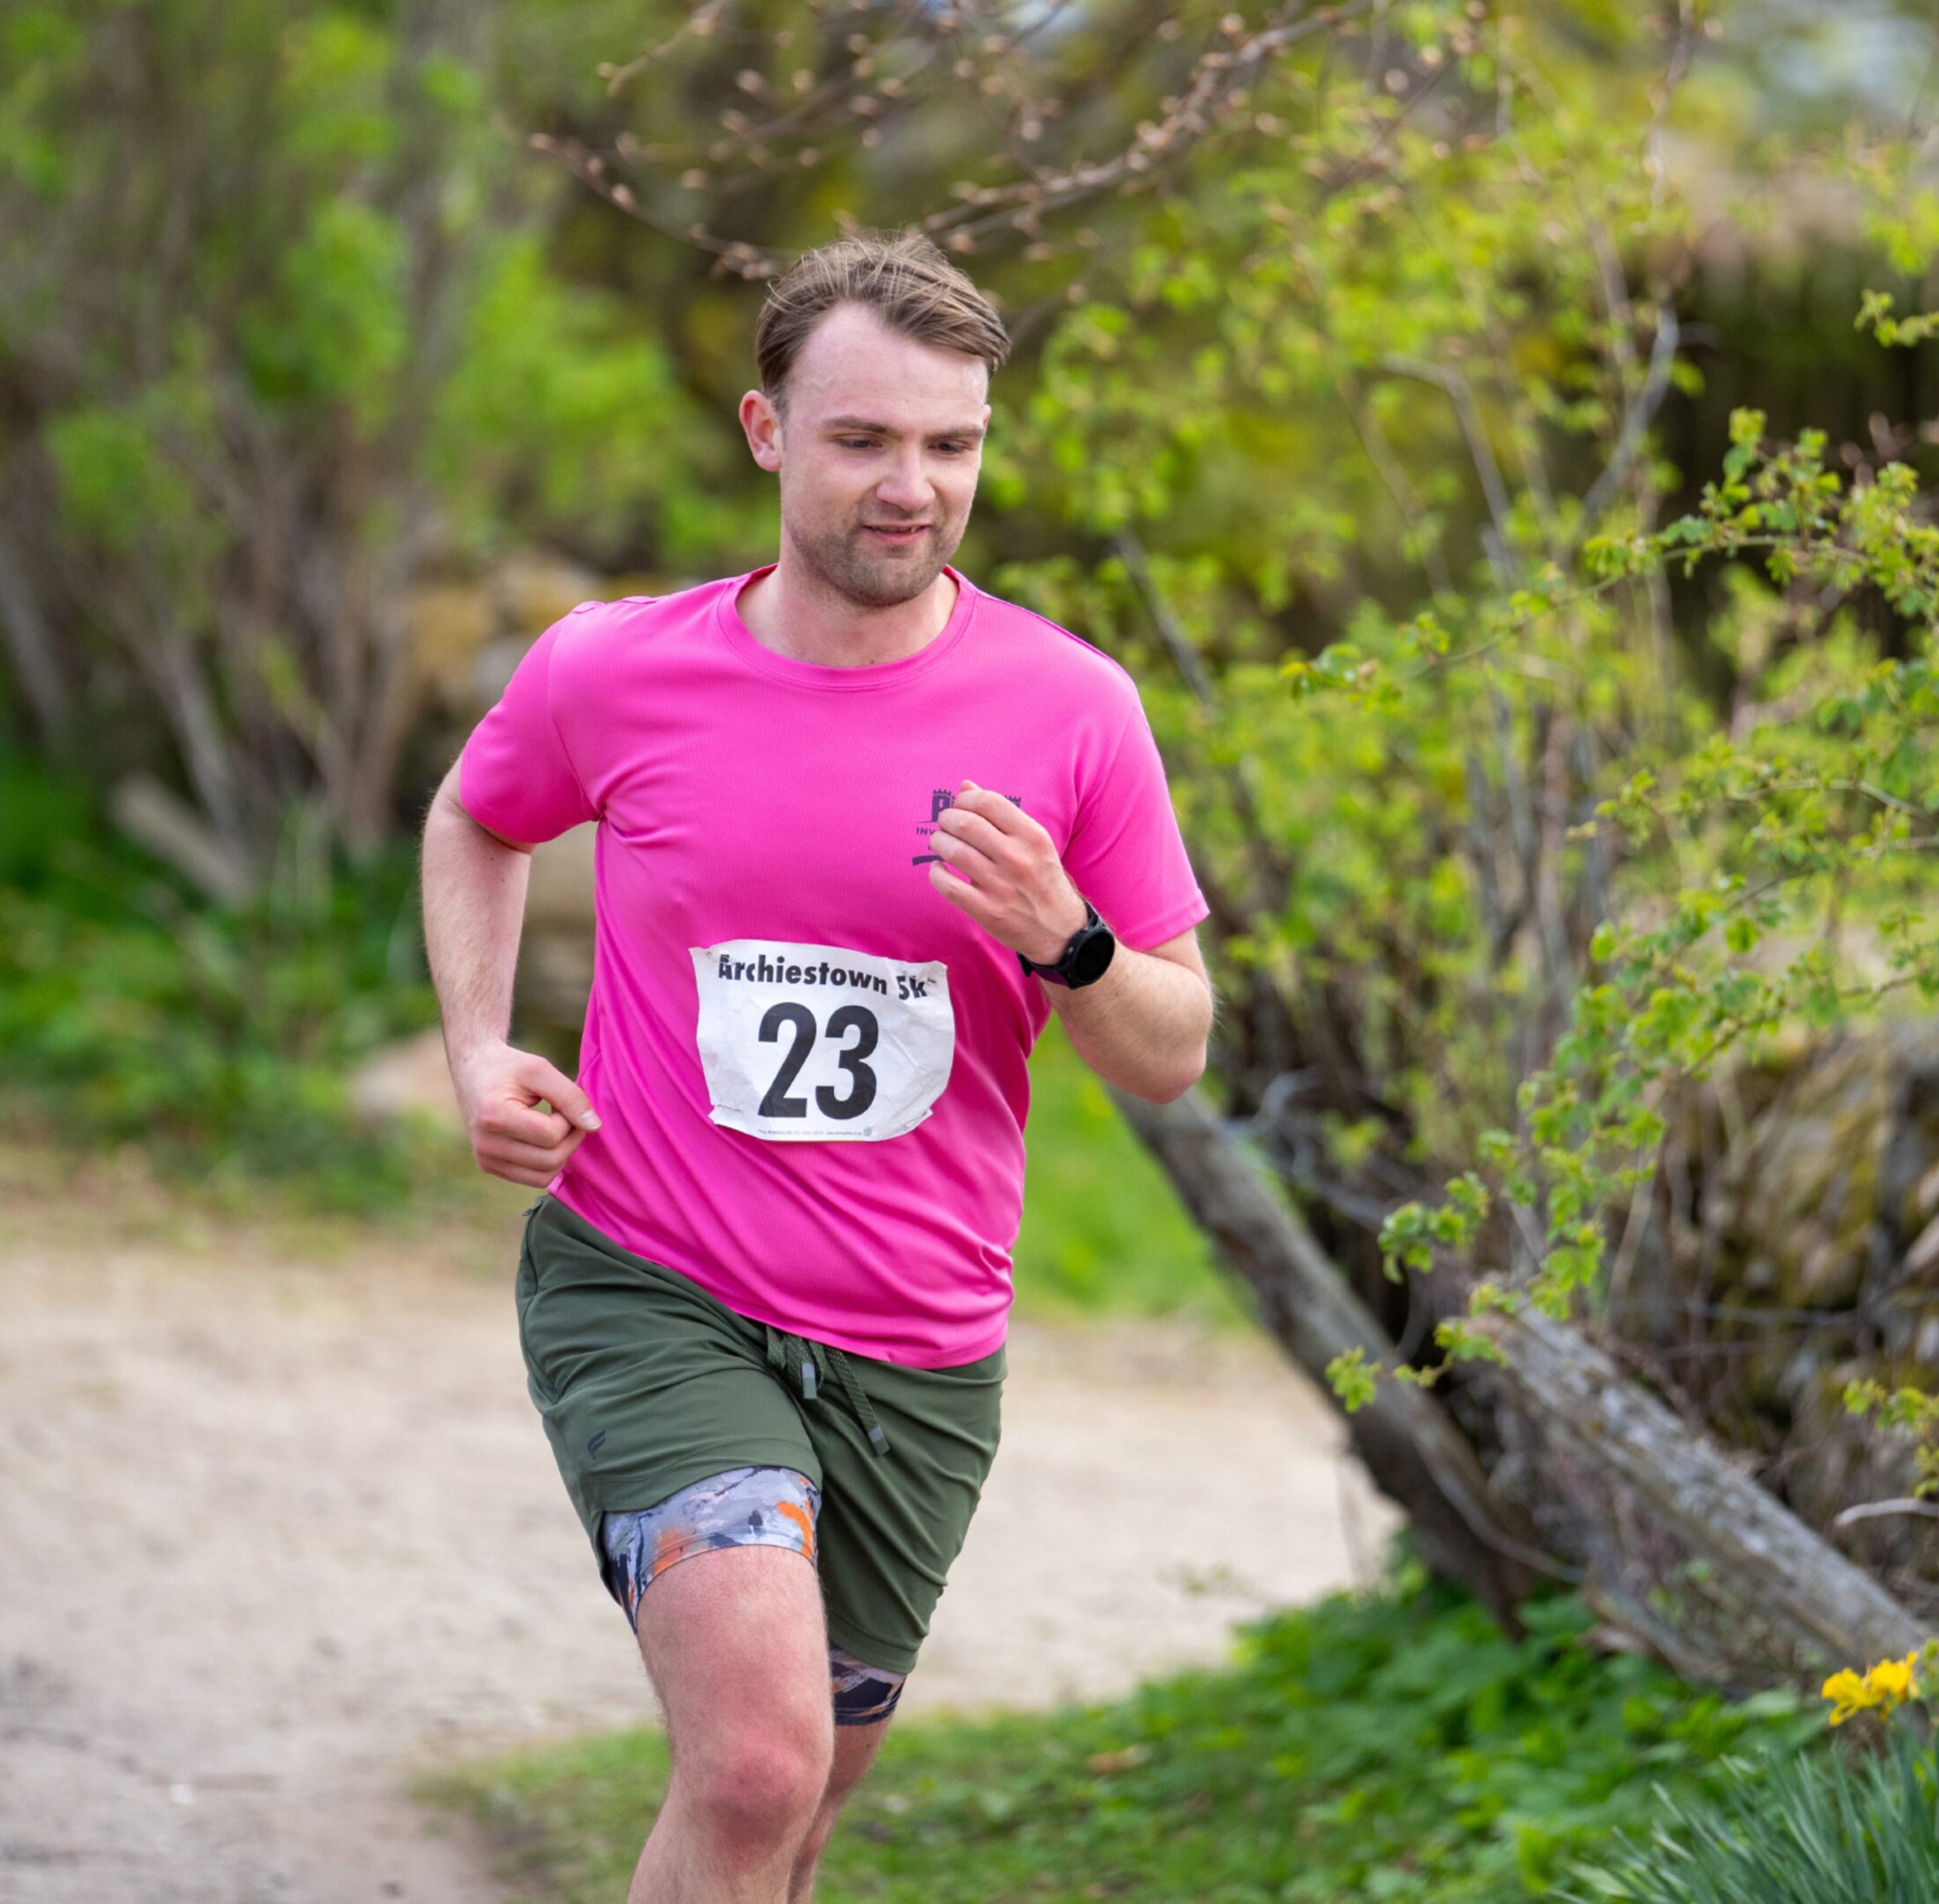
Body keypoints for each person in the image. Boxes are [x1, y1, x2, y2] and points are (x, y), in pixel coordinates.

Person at [421, 231, 1214, 1903]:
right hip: (653, 1281)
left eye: (952, 444)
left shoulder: (1071, 709)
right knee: (757, 1754)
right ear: (767, 430)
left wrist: (1071, 940)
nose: (912, 486)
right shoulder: (615, 668)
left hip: (917, 1349)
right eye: (864, 439)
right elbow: (478, 820)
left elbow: (1172, 1050)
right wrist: (481, 1050)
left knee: (786, 1811)